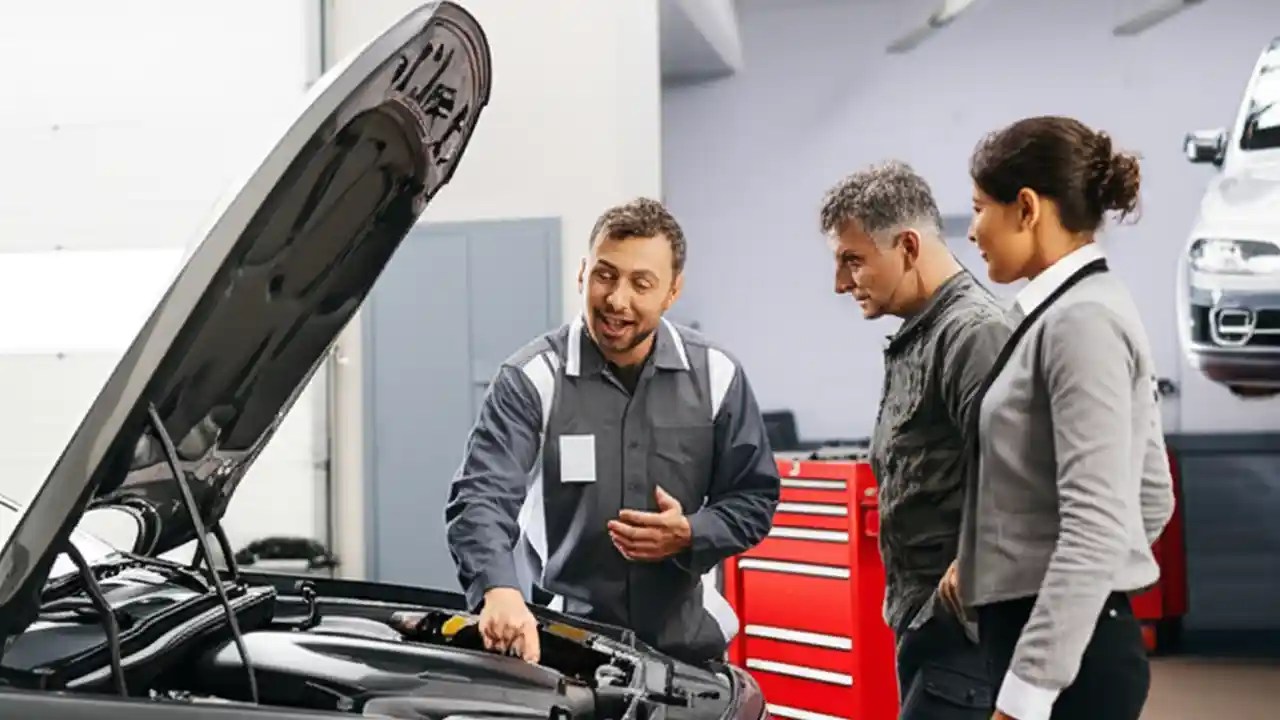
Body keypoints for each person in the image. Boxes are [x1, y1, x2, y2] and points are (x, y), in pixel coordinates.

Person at [443, 197, 781, 666]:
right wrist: (498, 590)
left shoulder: (717, 376)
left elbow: (754, 497)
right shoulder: (534, 378)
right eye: (605, 275)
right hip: (567, 649)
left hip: (688, 654)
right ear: (582, 273)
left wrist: (691, 532)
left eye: (641, 284)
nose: (617, 300)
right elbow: (481, 495)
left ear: (672, 291)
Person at [957, 116, 1177, 720]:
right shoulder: (1070, 310)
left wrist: (1027, 695)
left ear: (1026, 208)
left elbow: (1100, 523)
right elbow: (1150, 496)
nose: (972, 230)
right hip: (1059, 635)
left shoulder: (1080, 322)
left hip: (1060, 664)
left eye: (979, 209)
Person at [818, 160, 1009, 719]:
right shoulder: (920, 334)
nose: (840, 283)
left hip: (967, 641)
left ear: (907, 246)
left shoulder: (973, 335)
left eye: (853, 261)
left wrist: (965, 582)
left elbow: (1019, 482)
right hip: (928, 629)